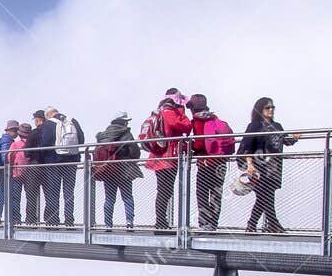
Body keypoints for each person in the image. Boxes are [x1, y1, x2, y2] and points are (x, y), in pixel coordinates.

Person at [236, 97, 301, 233]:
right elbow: (247, 145)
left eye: (272, 107)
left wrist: (294, 138)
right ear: (260, 109)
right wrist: (249, 164)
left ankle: (251, 225)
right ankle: (274, 224)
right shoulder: (255, 126)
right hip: (259, 167)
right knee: (264, 195)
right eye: (267, 108)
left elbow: (284, 141)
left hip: (273, 168)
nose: (271, 110)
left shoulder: (277, 126)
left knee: (264, 197)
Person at [144, 88, 192, 229]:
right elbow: (186, 126)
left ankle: (161, 221)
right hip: (167, 157)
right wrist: (182, 109)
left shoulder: (159, 111)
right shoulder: (170, 112)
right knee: (165, 190)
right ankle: (160, 222)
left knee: (163, 189)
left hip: (158, 156)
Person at [188, 94, 235, 231]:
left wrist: (190, 147)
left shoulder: (197, 121)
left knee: (202, 193)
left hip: (206, 163)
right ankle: (214, 223)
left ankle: (204, 224)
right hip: (221, 163)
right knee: (216, 194)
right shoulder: (215, 118)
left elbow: (200, 144)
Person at [92, 112, 141, 228]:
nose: (127, 123)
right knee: (128, 197)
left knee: (109, 198)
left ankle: (108, 224)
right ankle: (129, 222)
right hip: (124, 170)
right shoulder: (126, 134)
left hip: (108, 171)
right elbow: (134, 151)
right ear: (122, 121)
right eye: (126, 121)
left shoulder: (102, 135)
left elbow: (96, 152)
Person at [45, 107, 83, 227]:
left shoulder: (49, 124)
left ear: (49, 115)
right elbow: (81, 140)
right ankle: (69, 221)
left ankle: (54, 220)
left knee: (53, 192)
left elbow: (45, 143)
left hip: (54, 162)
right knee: (69, 192)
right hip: (71, 161)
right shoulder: (72, 121)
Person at [25, 110, 55, 224]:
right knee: (49, 195)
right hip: (48, 166)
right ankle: (50, 220)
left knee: (32, 195)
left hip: (34, 166)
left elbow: (26, 152)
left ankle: (31, 220)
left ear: (38, 120)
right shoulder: (50, 132)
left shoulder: (33, 133)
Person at [0, 119, 23, 223]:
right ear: (10, 130)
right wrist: (9, 165)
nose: (17, 133)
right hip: (5, 171)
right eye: (15, 130)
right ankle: (0, 217)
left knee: (1, 193)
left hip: (2, 171)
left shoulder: (4, 139)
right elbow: (4, 156)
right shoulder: (7, 141)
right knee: (4, 193)